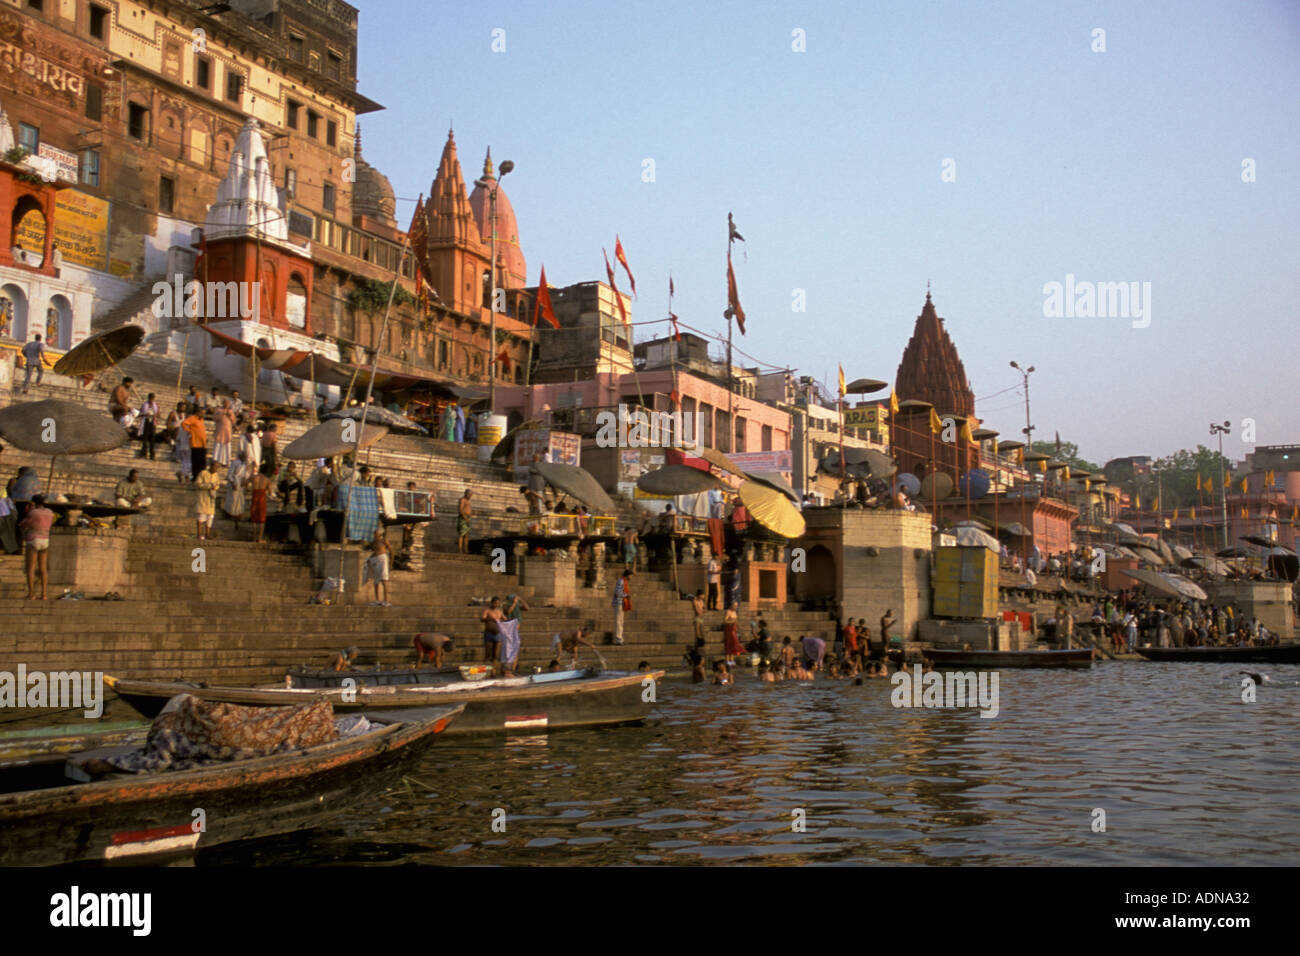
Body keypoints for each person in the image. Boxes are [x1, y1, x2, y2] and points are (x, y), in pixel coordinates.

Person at [18, 494, 55, 600]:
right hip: (45, 540)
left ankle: (31, 594)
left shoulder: (33, 512)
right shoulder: (50, 512)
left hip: (33, 539)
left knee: (31, 568)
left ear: (34, 503)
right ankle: (44, 594)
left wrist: (24, 535)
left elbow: (23, 525)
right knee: (43, 569)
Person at [194, 459, 220, 540]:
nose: (216, 468)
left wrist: (214, 487)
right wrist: (208, 486)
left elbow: (217, 485)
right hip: (203, 498)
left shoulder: (216, 475)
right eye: (215, 466)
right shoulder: (203, 473)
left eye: (217, 467)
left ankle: (207, 534)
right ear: (211, 466)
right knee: (201, 516)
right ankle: (198, 534)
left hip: (211, 499)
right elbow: (198, 484)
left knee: (210, 517)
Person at [181, 405, 208, 480]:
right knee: (195, 462)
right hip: (195, 444)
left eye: (204, 413)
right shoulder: (192, 418)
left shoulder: (201, 420)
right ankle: (194, 477)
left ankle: (202, 478)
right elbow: (183, 424)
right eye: (202, 413)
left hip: (202, 444)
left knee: (203, 463)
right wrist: (190, 431)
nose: (203, 415)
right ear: (198, 412)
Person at [248, 466, 272, 544]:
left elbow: (244, 483)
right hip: (262, 497)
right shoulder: (267, 480)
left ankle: (254, 538)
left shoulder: (253, 477)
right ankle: (260, 538)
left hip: (254, 496)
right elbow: (270, 492)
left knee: (254, 517)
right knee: (262, 519)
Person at [211, 399, 236, 466]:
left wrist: (230, 415)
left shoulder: (230, 411)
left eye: (228, 403)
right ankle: (215, 461)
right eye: (225, 403)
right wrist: (223, 413)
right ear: (223, 403)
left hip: (228, 432)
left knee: (227, 448)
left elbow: (234, 421)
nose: (227, 404)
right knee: (218, 447)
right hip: (220, 431)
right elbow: (215, 418)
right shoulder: (218, 410)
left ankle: (226, 462)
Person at [480, 596, 505, 663]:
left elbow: (505, 619)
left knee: (495, 655)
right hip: (489, 633)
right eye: (495, 603)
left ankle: (493, 670)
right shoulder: (487, 611)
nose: (496, 605)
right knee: (488, 654)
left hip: (497, 634)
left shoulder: (499, 612)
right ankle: (485, 668)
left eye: (497, 603)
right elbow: (482, 619)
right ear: (491, 603)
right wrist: (490, 619)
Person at [172, 402, 192, 482]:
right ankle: (184, 475)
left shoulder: (184, 426)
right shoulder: (185, 427)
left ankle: (183, 475)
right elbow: (179, 439)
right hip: (185, 447)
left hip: (186, 447)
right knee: (187, 463)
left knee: (186, 464)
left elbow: (178, 439)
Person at [138, 393, 160, 460]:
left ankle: (152, 454)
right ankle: (144, 453)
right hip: (146, 421)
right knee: (145, 437)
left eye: (152, 398)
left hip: (153, 422)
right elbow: (139, 414)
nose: (151, 399)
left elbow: (159, 415)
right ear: (148, 398)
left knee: (152, 437)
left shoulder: (155, 406)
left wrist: (155, 415)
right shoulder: (144, 405)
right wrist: (145, 414)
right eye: (150, 398)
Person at [613, 568, 632, 645]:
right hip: (619, 603)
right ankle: (618, 638)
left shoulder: (624, 582)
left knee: (621, 621)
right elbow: (617, 593)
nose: (631, 577)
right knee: (618, 621)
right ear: (627, 575)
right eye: (630, 575)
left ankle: (620, 637)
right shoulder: (621, 581)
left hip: (622, 603)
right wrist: (626, 595)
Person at [457, 488, 473, 553]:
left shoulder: (468, 500)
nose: (470, 496)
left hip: (468, 518)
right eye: (469, 494)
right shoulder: (462, 500)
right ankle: (460, 550)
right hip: (463, 518)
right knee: (461, 534)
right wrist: (465, 518)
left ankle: (465, 549)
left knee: (466, 535)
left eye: (471, 495)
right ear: (465, 494)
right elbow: (460, 510)